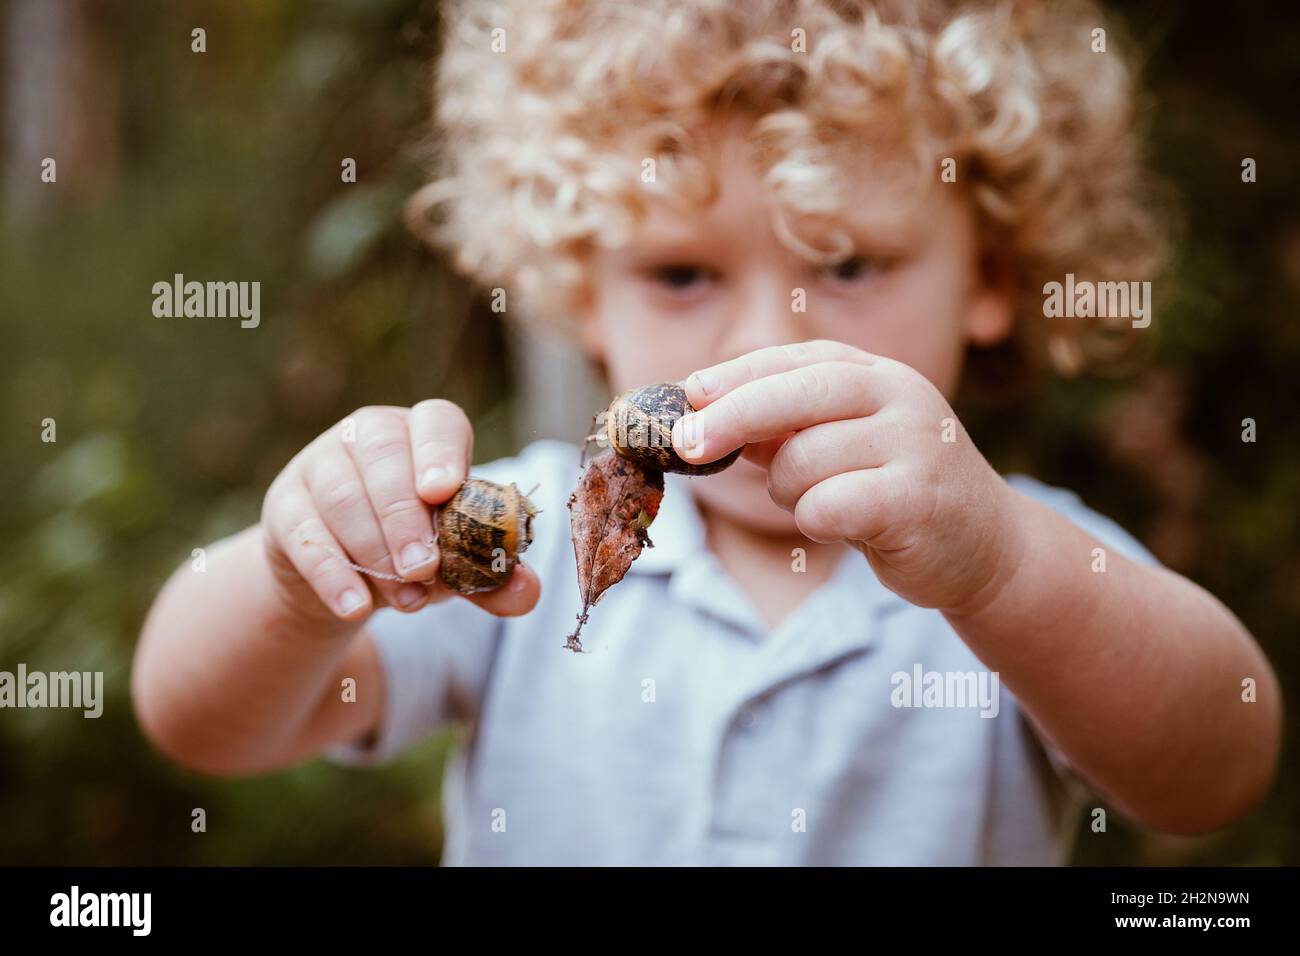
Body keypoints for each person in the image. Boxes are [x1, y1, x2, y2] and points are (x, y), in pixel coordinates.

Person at [133, 0, 1281, 864]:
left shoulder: (1021, 566)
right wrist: (294, 582)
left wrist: (1004, 566)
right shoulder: (519, 550)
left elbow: (1217, 764)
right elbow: (200, 719)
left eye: (844, 263)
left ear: (991, 269)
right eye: (680, 272)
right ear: (581, 286)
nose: (758, 339)